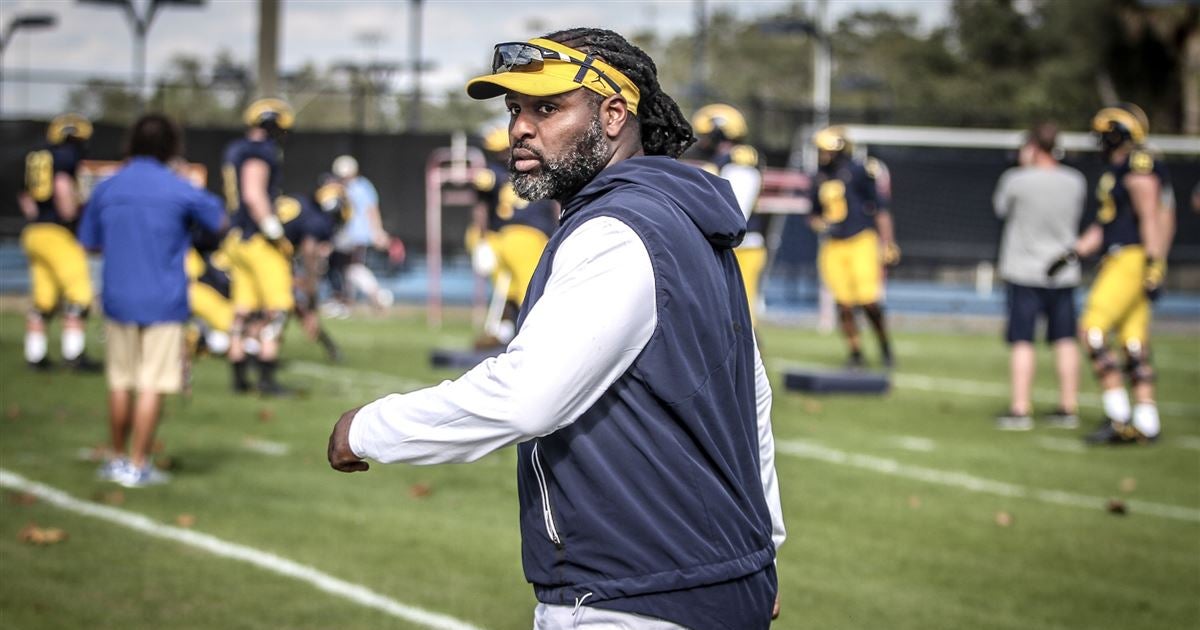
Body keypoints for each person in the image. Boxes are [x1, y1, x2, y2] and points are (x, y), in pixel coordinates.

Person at [328, 28, 785, 628]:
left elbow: (525, 398)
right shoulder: (682, 217)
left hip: (634, 597)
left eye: (548, 108)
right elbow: (750, 397)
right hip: (716, 581)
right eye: (516, 108)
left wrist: (366, 427)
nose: (521, 126)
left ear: (615, 114)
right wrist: (761, 548)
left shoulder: (616, 229)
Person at [77, 113, 226, 487]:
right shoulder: (176, 187)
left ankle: (114, 457)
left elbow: (90, 242)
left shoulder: (108, 187)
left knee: (119, 381)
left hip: (117, 298)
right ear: (172, 147)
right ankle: (138, 463)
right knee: (152, 383)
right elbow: (218, 219)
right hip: (163, 299)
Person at [1048, 103, 1173, 445]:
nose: (1099, 142)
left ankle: (1118, 414)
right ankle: (1146, 421)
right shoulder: (1121, 170)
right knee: (1134, 343)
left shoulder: (1138, 165)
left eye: (1104, 135)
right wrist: (1074, 251)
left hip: (1130, 260)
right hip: (1126, 258)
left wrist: (1154, 262)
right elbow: (1108, 223)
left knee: (1092, 331)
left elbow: (1152, 216)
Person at [991, 122, 1087, 431]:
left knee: (1022, 341)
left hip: (1024, 271)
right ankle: (1068, 407)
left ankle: (1020, 409)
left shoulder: (1016, 180)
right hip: (1063, 272)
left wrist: (1024, 165)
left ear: (1032, 147)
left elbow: (1001, 208)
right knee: (1065, 340)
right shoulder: (1075, 181)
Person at [808, 125, 899, 368]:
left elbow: (880, 208)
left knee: (869, 300)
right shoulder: (819, 176)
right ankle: (856, 351)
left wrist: (888, 242)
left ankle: (884, 344)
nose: (823, 155)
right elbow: (813, 213)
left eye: (827, 151)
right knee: (844, 303)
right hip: (834, 245)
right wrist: (818, 223)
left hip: (861, 239)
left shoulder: (859, 171)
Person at [17, 113, 102, 372]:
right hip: (56, 234)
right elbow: (63, 187)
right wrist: (71, 214)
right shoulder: (65, 157)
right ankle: (74, 355)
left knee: (44, 299)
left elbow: (26, 199)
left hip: (33, 233)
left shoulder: (37, 156)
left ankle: (35, 355)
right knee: (80, 294)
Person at [222, 98, 295, 395]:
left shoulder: (235, 149)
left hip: (237, 239)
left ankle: (239, 376)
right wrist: (275, 232)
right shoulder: (259, 151)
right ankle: (266, 378)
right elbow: (253, 194)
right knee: (278, 309)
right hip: (258, 240)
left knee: (243, 310)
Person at [469, 126, 559, 347]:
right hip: (528, 236)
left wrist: (481, 240)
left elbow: (480, 209)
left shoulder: (492, 175)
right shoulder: (540, 168)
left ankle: (505, 332)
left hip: (509, 237)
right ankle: (525, 337)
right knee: (527, 290)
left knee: (513, 290)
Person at [689, 104, 767, 322]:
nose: (702, 141)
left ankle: (749, 354)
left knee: (740, 311)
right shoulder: (718, 161)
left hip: (742, 244)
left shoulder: (739, 158)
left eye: (706, 135)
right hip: (724, 242)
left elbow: (737, 207)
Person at [329, 154, 393, 310]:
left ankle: (374, 295)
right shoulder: (341, 187)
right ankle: (348, 300)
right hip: (346, 234)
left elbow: (371, 211)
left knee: (352, 268)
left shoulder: (361, 187)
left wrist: (377, 232)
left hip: (355, 235)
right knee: (345, 268)